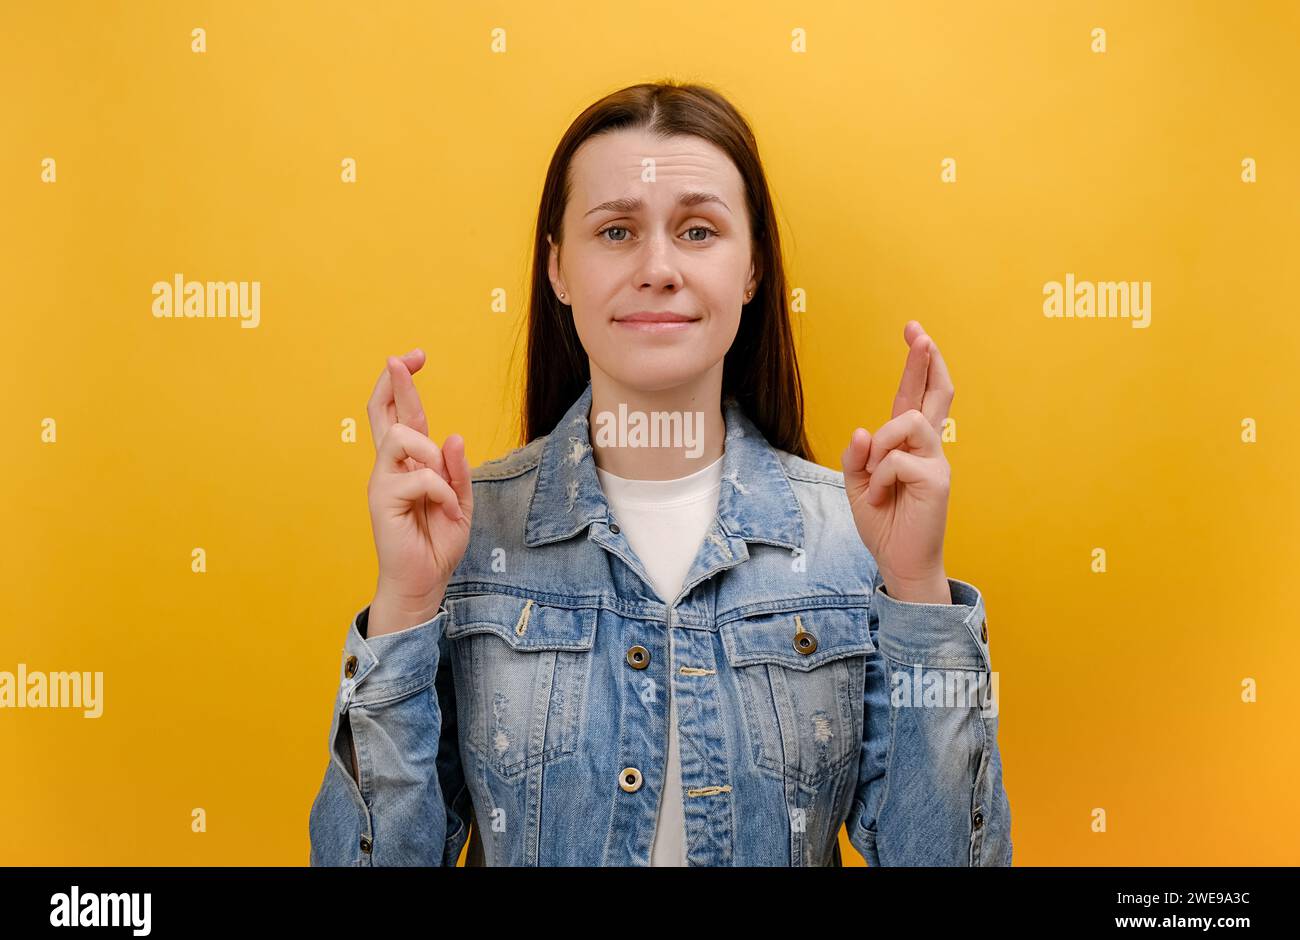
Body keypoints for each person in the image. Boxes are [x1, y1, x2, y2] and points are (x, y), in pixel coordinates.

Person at [308, 80, 1011, 867]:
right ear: (558, 270)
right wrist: (404, 604)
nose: (658, 268)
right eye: (615, 232)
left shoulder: (854, 542)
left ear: (752, 270)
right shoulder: (468, 538)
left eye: (700, 231)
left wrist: (918, 588)